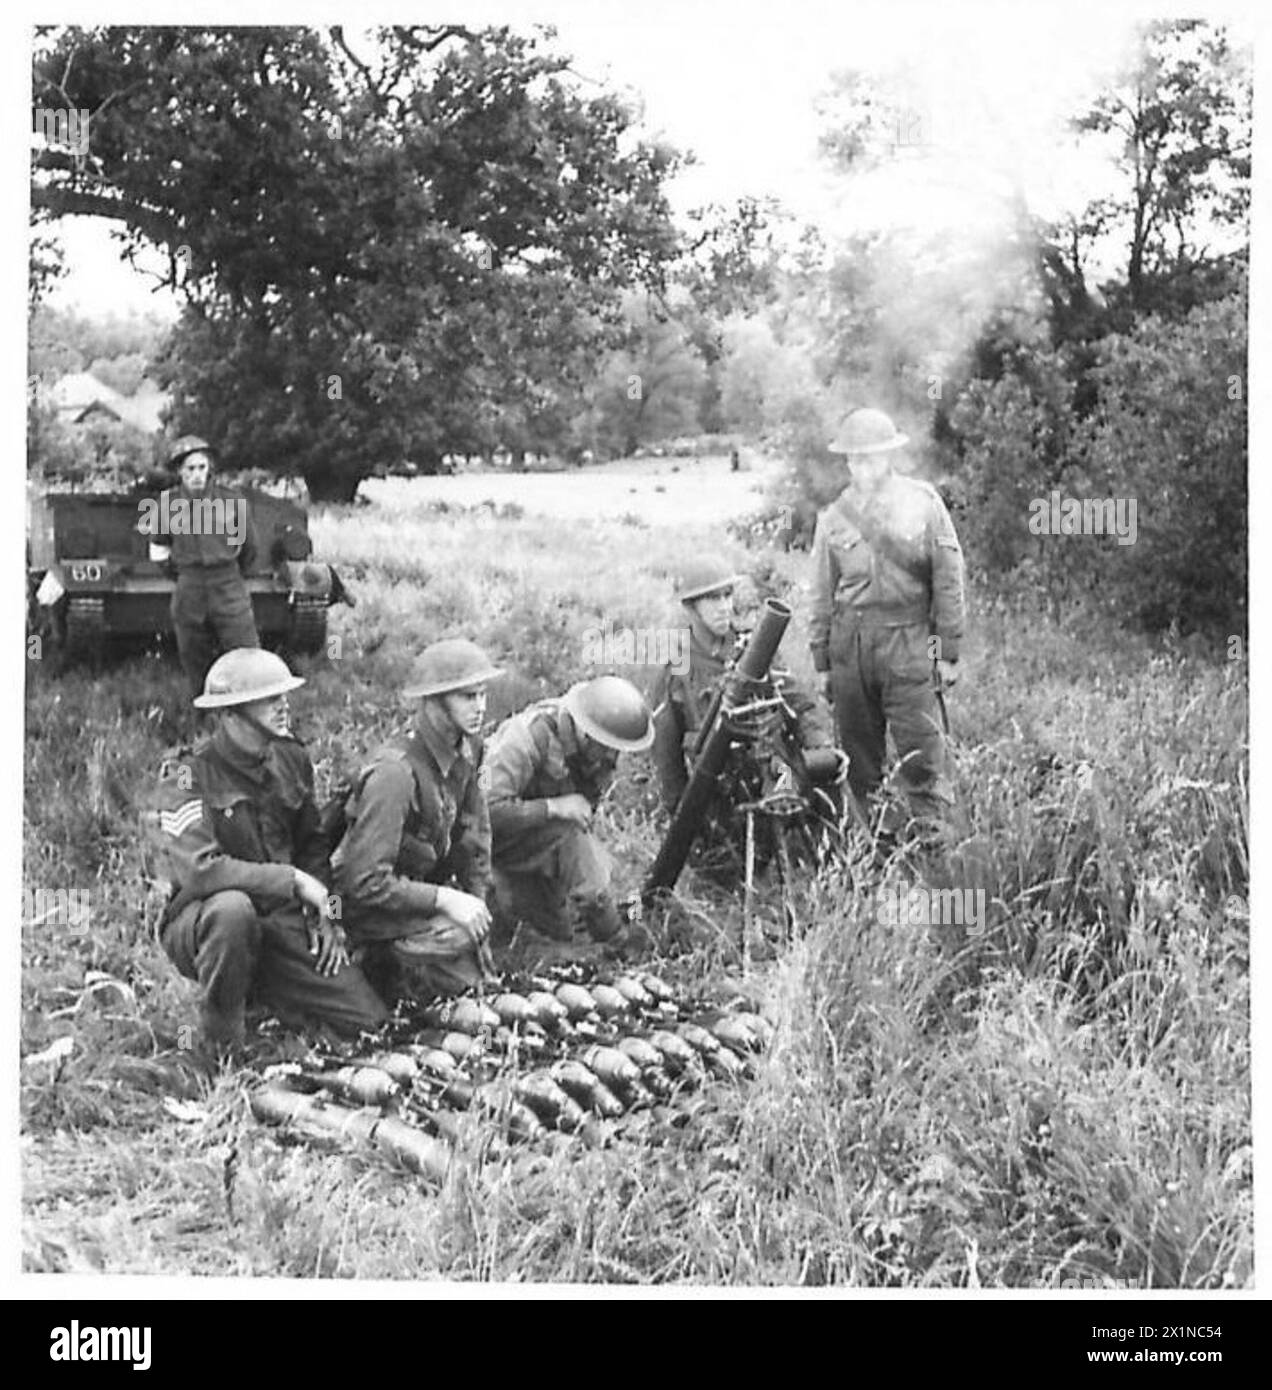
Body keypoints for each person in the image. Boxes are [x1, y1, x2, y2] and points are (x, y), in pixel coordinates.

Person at [145, 648, 388, 1058]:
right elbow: (202, 872)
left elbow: (312, 844)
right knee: (232, 911)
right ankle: (218, 1046)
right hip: (203, 923)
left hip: (280, 917)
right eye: (270, 699)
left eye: (283, 696)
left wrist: (326, 911)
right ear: (228, 715)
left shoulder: (291, 757)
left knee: (369, 1021)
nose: (284, 706)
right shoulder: (186, 775)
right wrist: (292, 882)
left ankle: (269, 993)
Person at [808, 407, 965, 834]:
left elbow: (948, 576)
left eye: (872, 456)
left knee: (922, 757)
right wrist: (822, 663)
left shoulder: (923, 503)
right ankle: (876, 854)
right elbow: (821, 593)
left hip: (909, 642)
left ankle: (934, 855)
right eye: (855, 458)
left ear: (889, 455)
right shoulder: (834, 517)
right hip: (851, 648)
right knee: (860, 765)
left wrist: (947, 651)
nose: (863, 466)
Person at [331, 639, 500, 1003]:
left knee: (486, 908)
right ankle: (376, 962)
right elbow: (364, 883)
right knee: (456, 933)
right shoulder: (395, 774)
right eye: (468, 697)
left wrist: (477, 902)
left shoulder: (469, 750)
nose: (481, 707)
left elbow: (475, 837)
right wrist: (446, 901)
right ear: (434, 702)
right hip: (367, 908)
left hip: (413, 887)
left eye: (483, 695)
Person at [650, 556, 841, 875]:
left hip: (770, 764)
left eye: (727, 595)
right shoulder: (677, 665)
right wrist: (682, 813)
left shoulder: (754, 648)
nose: (725, 606)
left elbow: (800, 702)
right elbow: (666, 753)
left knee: (812, 783)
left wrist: (819, 744)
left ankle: (823, 861)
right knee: (723, 871)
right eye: (713, 599)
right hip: (716, 784)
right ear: (691, 606)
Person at [485, 676, 654, 953]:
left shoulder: (601, 750)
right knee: (576, 847)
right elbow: (484, 813)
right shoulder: (525, 737)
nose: (611, 757)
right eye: (606, 746)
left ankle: (633, 922)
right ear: (585, 733)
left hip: (544, 844)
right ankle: (617, 941)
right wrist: (555, 807)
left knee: (618, 880)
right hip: (500, 847)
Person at [144, 435, 260, 698]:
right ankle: (204, 713)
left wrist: (229, 574)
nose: (196, 475)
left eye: (201, 467)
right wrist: (184, 575)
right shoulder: (167, 504)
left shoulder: (232, 502)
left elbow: (250, 549)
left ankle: (249, 712)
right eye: (190, 469)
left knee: (246, 653)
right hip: (190, 588)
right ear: (179, 472)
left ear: (210, 469)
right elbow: (159, 550)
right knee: (194, 656)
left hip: (228, 586)